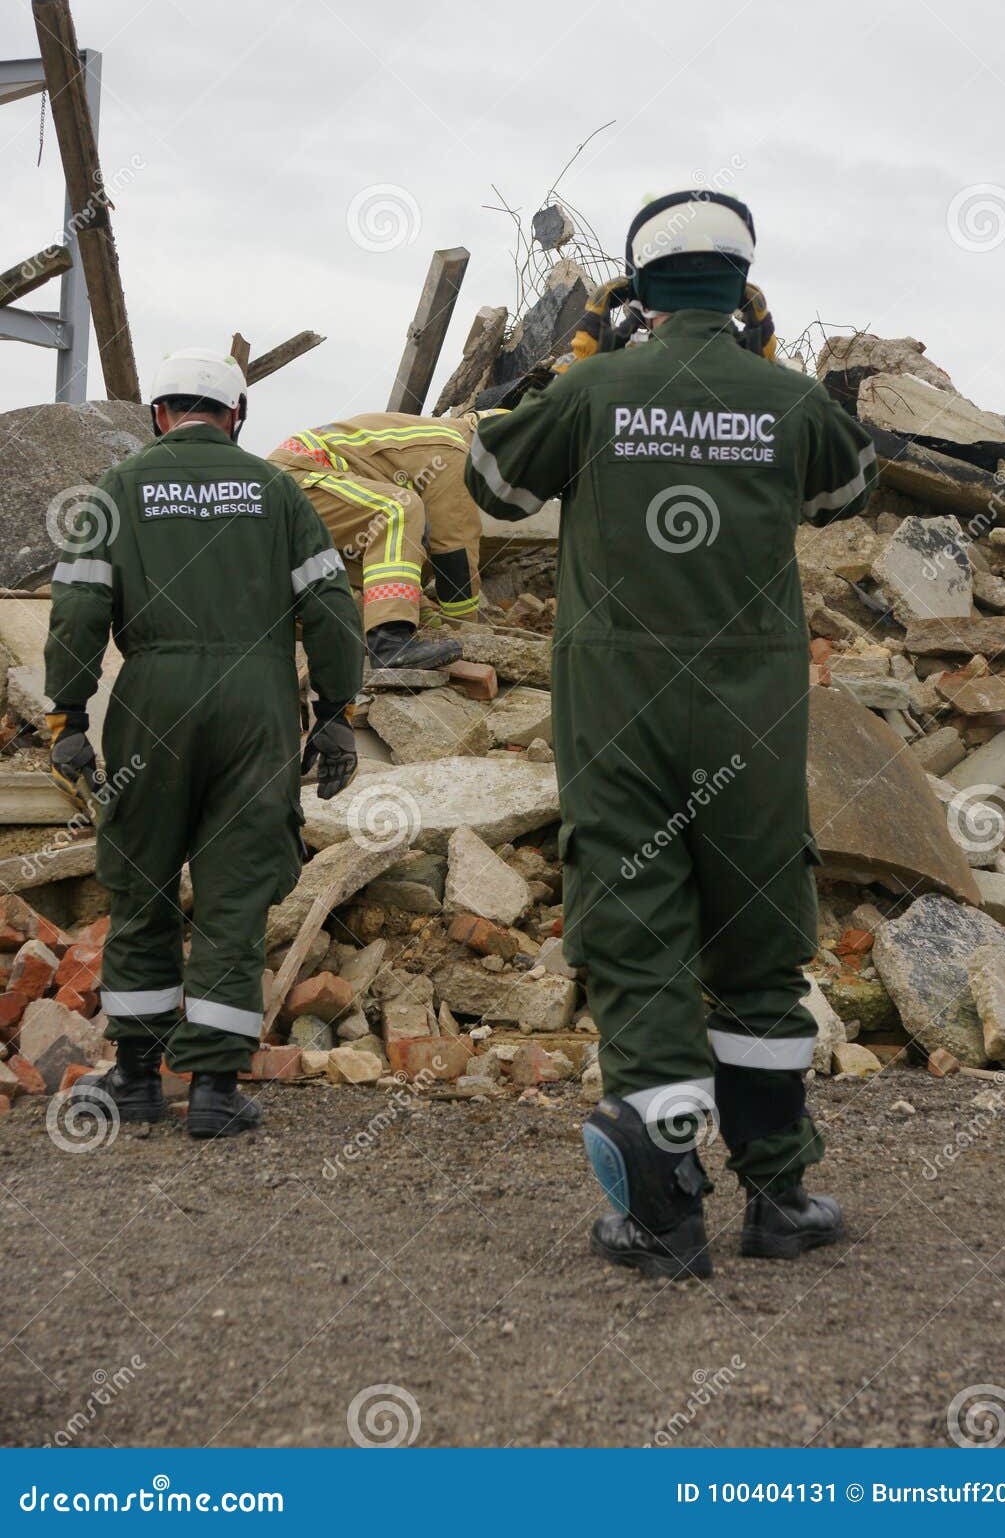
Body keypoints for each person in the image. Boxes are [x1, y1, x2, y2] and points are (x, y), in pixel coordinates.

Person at [465, 190, 878, 1280]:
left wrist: (573, 358)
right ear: (741, 285)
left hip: (619, 708)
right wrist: (767, 364)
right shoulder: (785, 399)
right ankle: (780, 1198)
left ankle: (662, 1214)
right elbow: (850, 484)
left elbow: (491, 480)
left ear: (638, 289)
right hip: (752, 708)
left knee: (637, 937)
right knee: (756, 950)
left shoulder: (597, 387)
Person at [46, 348, 362, 1139]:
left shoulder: (116, 490)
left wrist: (69, 719)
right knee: (234, 889)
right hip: (254, 703)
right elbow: (328, 604)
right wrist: (332, 711)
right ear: (237, 416)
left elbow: (80, 610)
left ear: (158, 414)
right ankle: (216, 1092)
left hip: (151, 699)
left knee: (141, 884)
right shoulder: (278, 491)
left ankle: (136, 1079)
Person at [267, 411, 483, 671]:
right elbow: (455, 550)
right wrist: (466, 631)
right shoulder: (457, 449)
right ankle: (390, 643)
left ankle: (309, 627)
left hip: (295, 480)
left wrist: (429, 620)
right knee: (398, 509)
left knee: (387, 550)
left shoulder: (436, 439)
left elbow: (393, 558)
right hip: (301, 472)